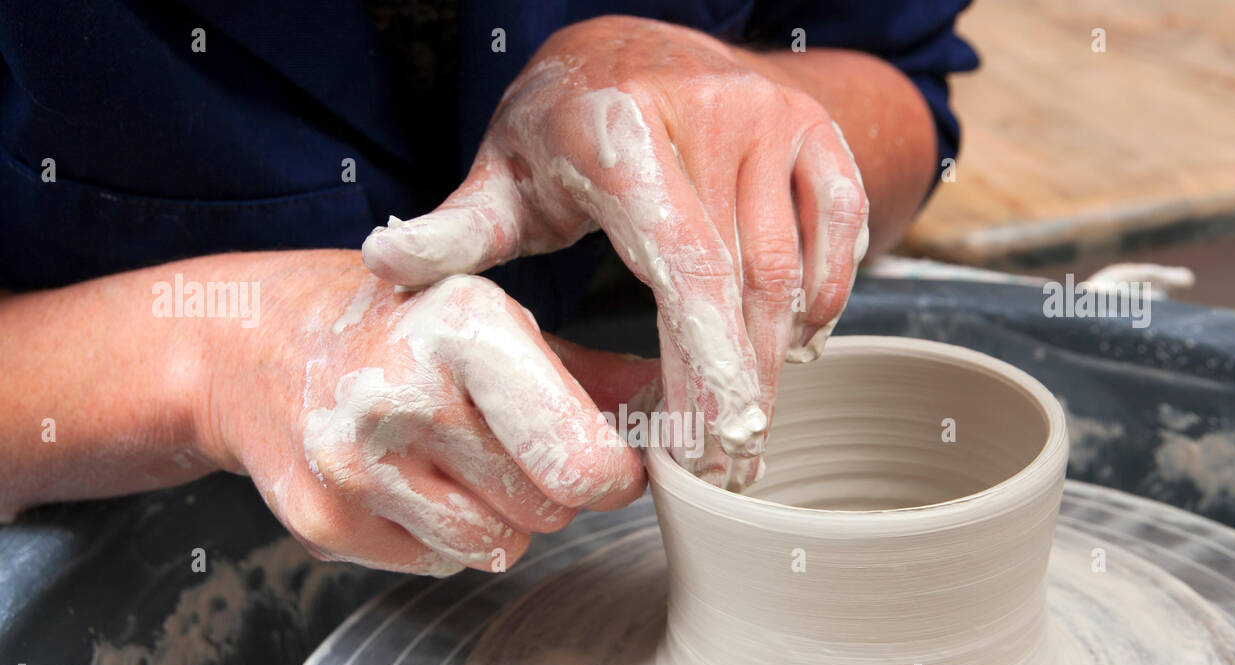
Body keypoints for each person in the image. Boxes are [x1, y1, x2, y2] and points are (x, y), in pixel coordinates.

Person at [0, 2, 976, 576]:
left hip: (607, 392)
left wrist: (716, 84)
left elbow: (900, 77)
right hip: (123, 495)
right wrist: (213, 360)